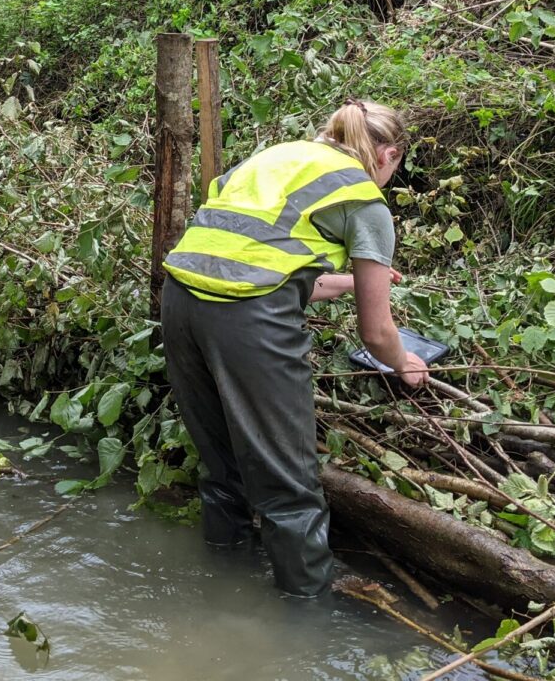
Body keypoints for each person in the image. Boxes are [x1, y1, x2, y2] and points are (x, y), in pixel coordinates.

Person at [160, 99, 428, 598]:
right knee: (290, 490)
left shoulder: (276, 157)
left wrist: (347, 282)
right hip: (247, 319)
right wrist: (404, 364)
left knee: (223, 467)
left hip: (178, 303)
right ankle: (306, 624)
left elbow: (265, 259)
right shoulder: (363, 197)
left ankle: (221, 585)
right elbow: (377, 333)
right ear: (389, 154)